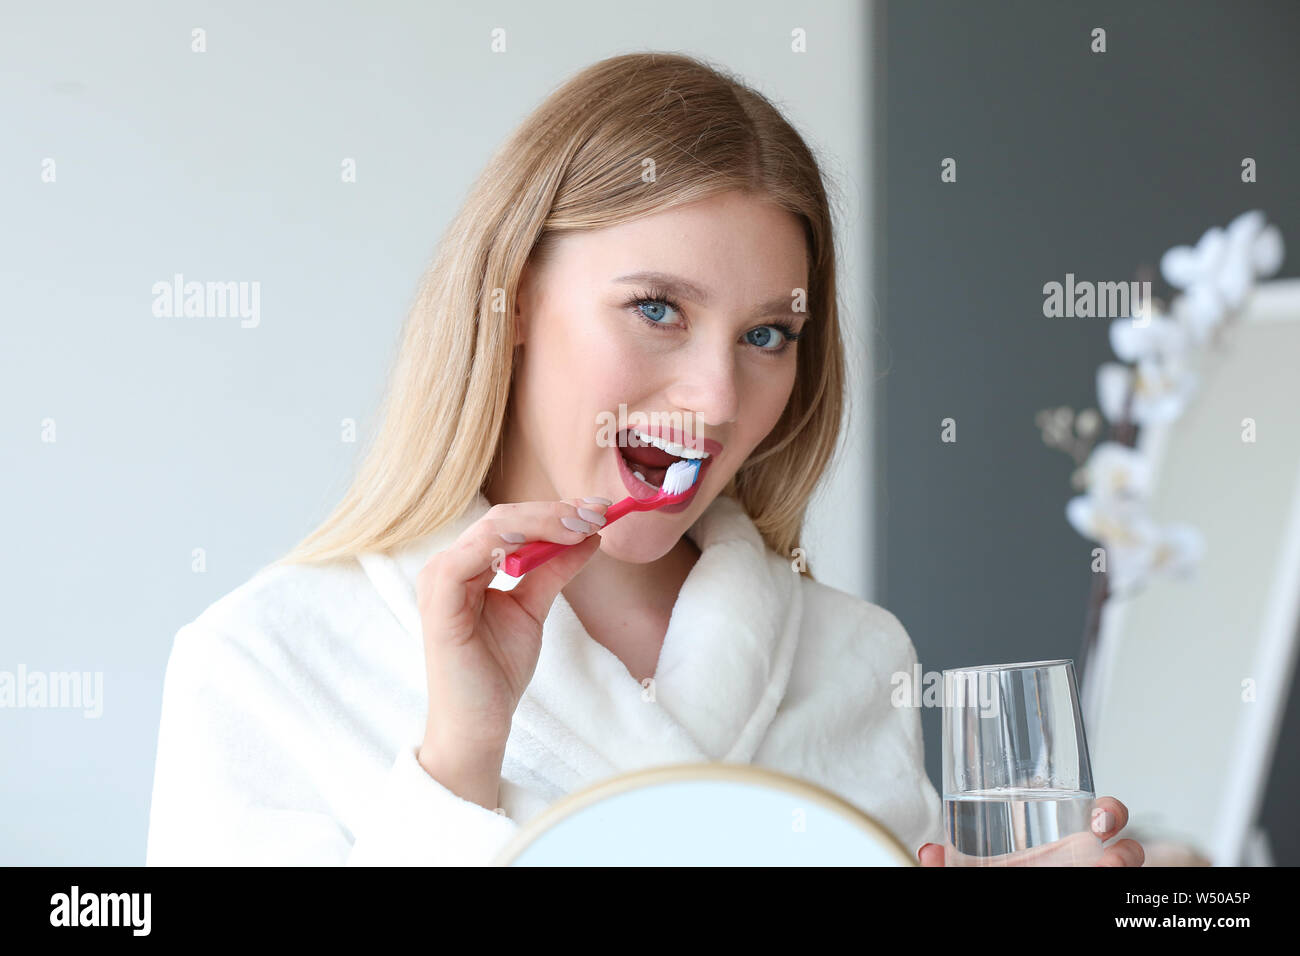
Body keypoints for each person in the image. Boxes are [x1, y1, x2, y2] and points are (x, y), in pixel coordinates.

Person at [144, 51, 1143, 867]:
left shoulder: (854, 658)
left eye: (766, 336)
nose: (715, 398)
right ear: (515, 299)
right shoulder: (263, 660)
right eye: (657, 308)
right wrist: (459, 762)